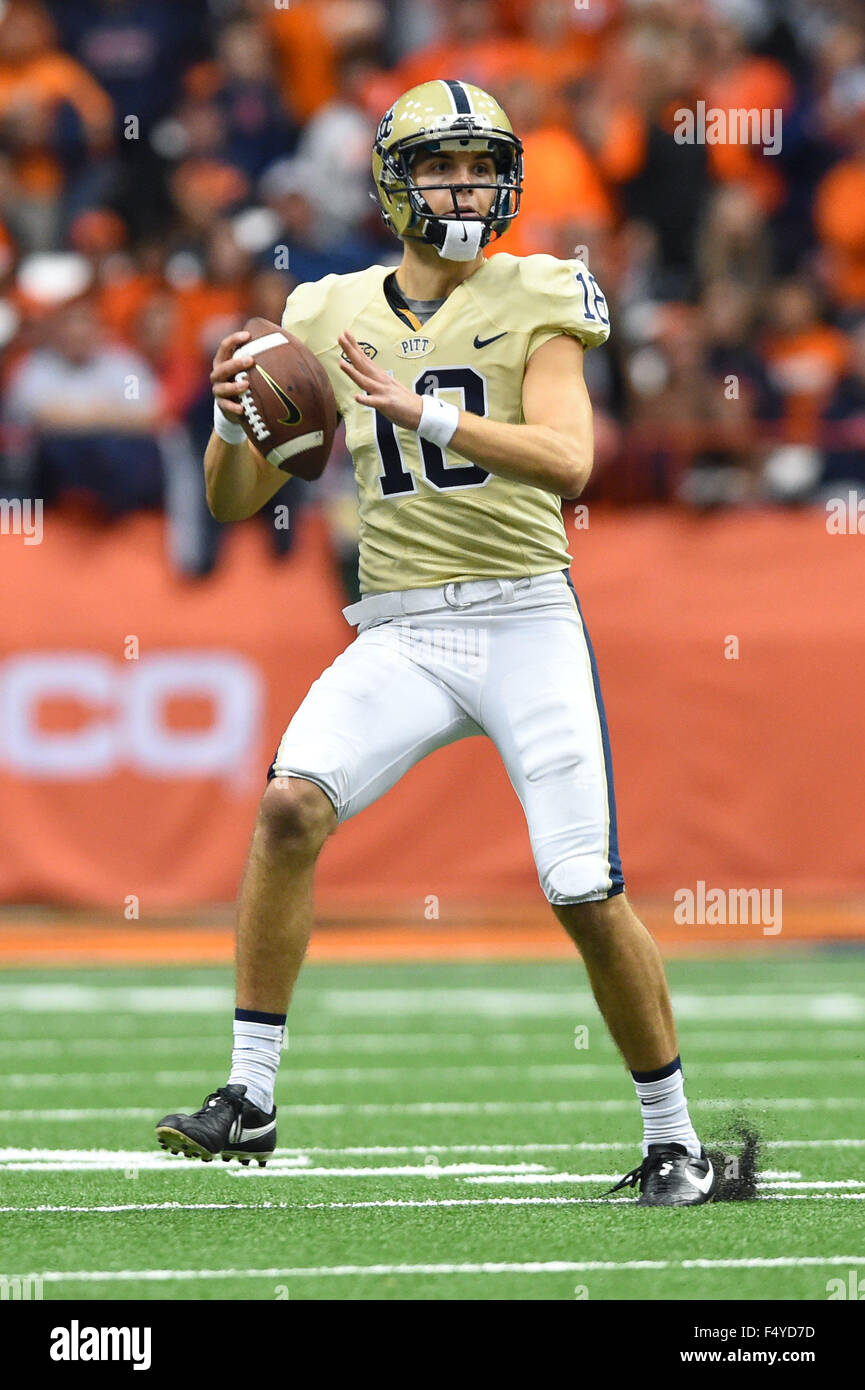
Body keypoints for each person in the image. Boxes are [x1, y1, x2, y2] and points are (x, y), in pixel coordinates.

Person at [156, 79, 716, 1207]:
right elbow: (230, 501)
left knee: (580, 888)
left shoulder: (539, 287)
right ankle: (249, 1096)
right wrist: (230, 417)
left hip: (522, 616)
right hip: (402, 624)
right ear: (391, 182)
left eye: (479, 165)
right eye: (441, 167)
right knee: (286, 806)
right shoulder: (321, 311)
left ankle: (676, 1140)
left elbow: (570, 462)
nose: (464, 187)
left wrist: (426, 414)